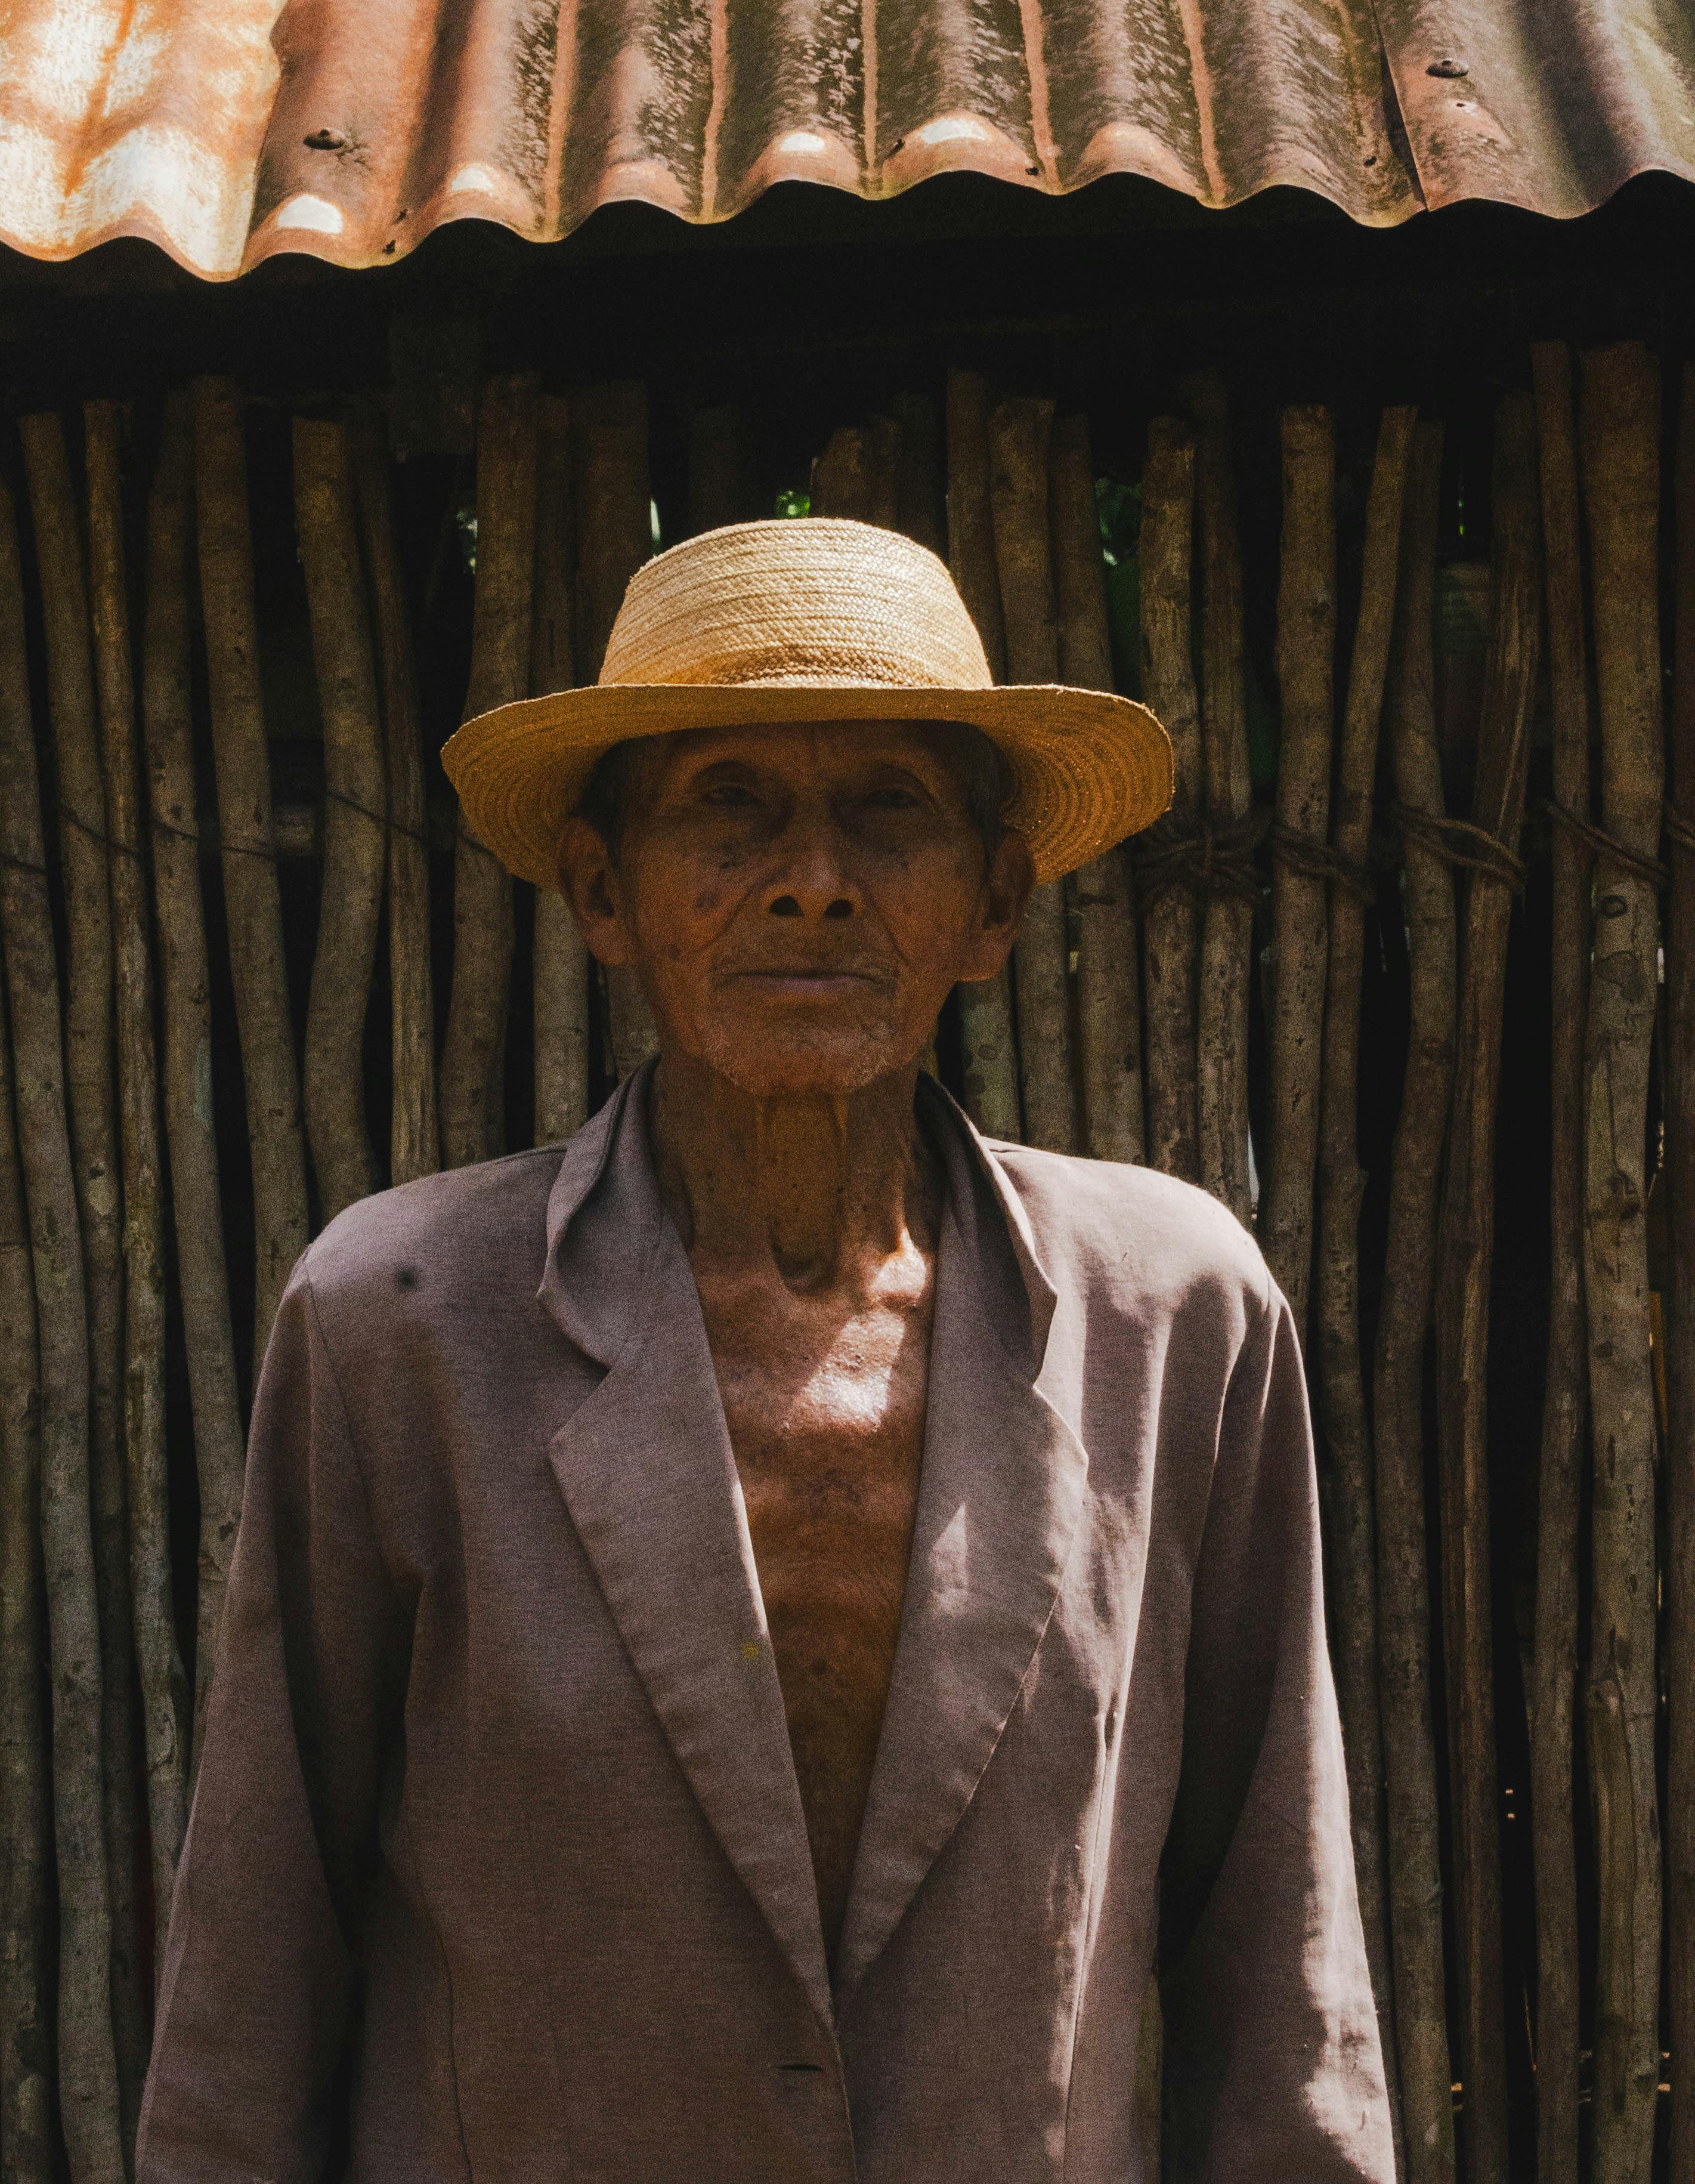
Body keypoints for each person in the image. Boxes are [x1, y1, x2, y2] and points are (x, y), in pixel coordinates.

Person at [138, 515, 1395, 2184]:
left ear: (995, 901)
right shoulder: (402, 1325)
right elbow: (255, 1969)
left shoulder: (1172, 1318)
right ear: (604, 890)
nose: (813, 878)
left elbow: (1279, 1954)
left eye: (891, 809)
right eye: (727, 806)